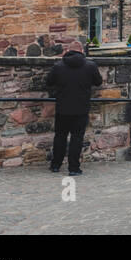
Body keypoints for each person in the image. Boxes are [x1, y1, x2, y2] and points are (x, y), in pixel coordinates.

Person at [46, 41, 102, 176]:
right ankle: (74, 168)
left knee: (60, 137)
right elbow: (98, 82)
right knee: (77, 138)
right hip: (81, 108)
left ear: (67, 50)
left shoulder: (58, 66)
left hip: (62, 108)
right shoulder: (90, 66)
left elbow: (49, 82)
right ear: (82, 50)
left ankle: (55, 165)